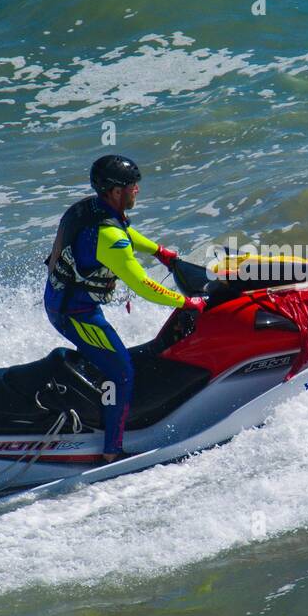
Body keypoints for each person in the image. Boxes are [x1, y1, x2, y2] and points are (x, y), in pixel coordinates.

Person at [44, 155, 206, 462]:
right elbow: (144, 286)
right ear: (116, 191)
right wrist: (187, 302)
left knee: (112, 360)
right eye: (133, 186)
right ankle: (111, 450)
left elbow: (126, 232)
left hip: (67, 301)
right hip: (75, 314)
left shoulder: (92, 209)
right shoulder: (110, 239)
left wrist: (159, 251)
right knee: (121, 372)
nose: (137, 191)